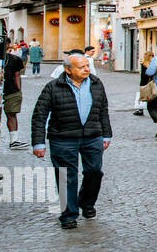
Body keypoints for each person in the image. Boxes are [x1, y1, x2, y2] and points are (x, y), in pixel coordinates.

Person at [30, 54, 112, 230]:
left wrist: (106, 135)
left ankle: (87, 203)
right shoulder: (53, 87)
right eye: (81, 67)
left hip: (92, 136)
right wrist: (38, 143)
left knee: (94, 172)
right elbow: (39, 115)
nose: (87, 69)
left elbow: (103, 110)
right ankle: (68, 214)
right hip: (63, 138)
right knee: (66, 177)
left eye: (87, 65)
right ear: (68, 70)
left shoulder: (96, 83)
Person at [3, 45, 28, 150]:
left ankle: (14, 140)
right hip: (10, 90)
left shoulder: (14, 59)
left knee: (11, 114)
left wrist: (18, 90)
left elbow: (17, 75)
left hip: (11, 91)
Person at [134, 49, 154, 116]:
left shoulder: (144, 65)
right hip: (150, 83)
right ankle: (155, 110)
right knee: (150, 97)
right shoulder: (151, 65)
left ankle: (141, 110)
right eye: (152, 56)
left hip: (145, 83)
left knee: (144, 97)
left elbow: (143, 76)